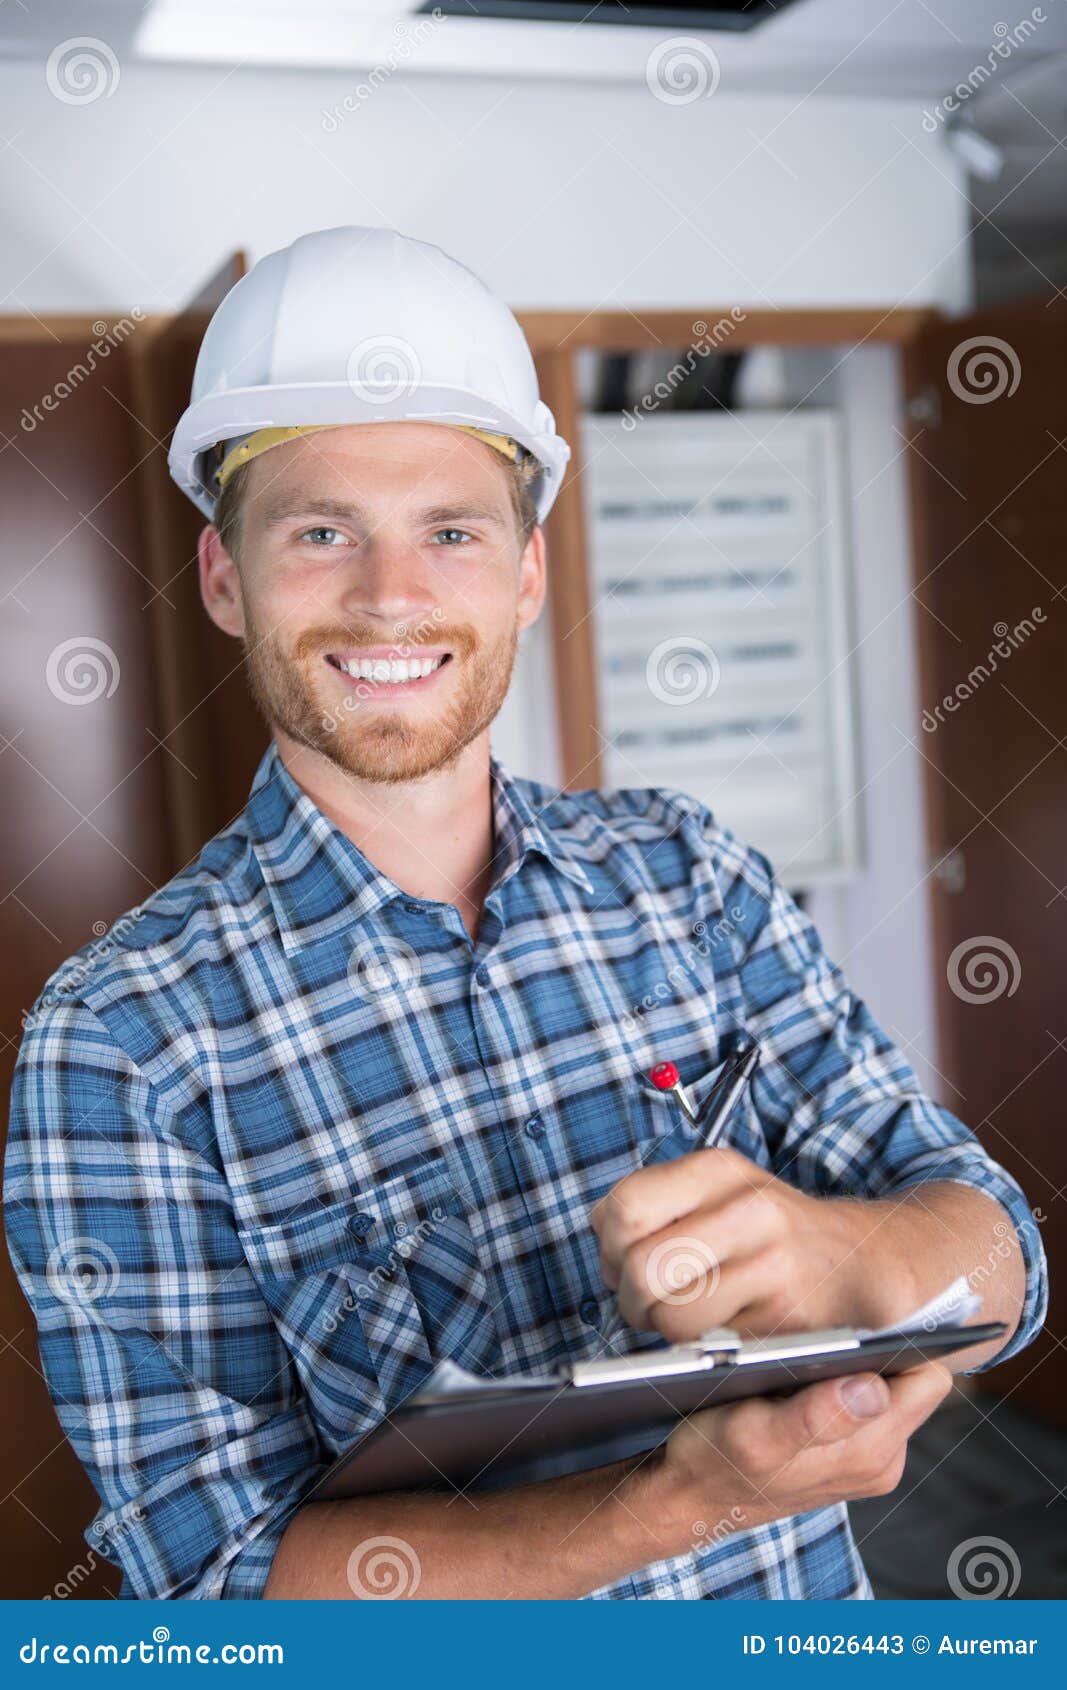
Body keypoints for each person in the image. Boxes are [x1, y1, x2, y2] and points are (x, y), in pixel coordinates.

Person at [3, 225, 1047, 1602]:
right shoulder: (120, 1045)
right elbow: (219, 1588)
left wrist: (843, 1253)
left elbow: (1002, 1256)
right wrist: (684, 1500)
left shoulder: (688, 873)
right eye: (322, 532)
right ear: (222, 577)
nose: (392, 594)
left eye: (451, 529)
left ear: (528, 572)